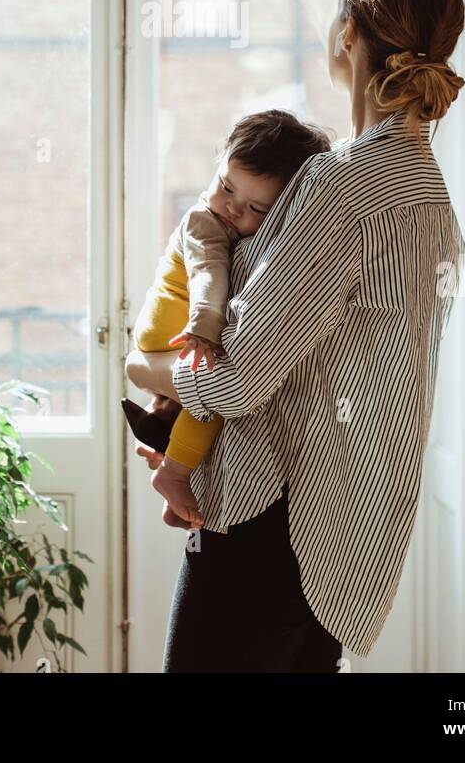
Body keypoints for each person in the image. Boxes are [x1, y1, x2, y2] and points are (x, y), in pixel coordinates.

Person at [124, 0, 465, 672]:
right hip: (348, 532)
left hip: (272, 526)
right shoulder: (432, 198)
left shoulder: (342, 184)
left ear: (348, 36)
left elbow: (235, 382)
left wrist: (147, 369)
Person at [121, 110, 332, 527]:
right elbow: (207, 274)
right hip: (176, 328)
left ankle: (171, 469)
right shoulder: (204, 222)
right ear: (218, 163)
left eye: (255, 207)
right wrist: (203, 326)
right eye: (225, 187)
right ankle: (174, 475)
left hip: (170, 330)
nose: (232, 209)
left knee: (193, 402)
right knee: (214, 395)